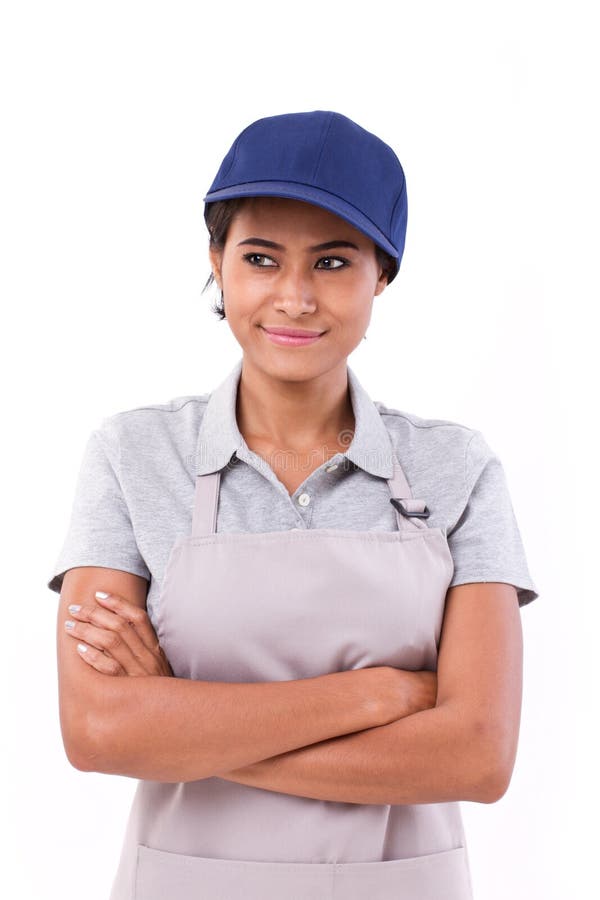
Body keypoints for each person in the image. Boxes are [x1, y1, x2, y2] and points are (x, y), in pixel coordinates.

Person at [48, 110, 539, 900]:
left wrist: (181, 728)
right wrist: (372, 696)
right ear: (217, 261)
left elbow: (478, 757)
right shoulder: (133, 456)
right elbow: (99, 731)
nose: (295, 297)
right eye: (260, 258)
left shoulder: (456, 470)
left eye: (333, 262)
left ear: (383, 274)